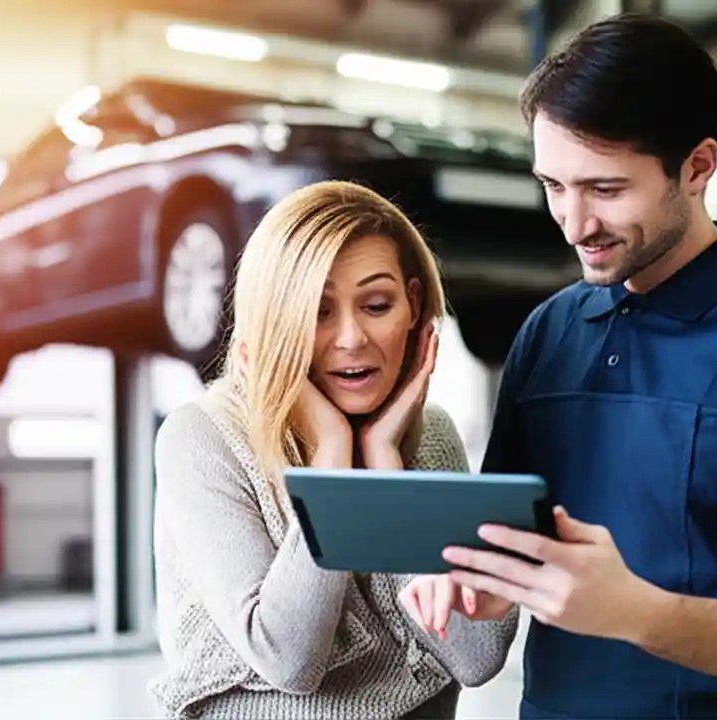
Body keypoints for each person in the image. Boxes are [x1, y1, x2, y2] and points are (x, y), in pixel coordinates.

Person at [431, 13, 717, 720]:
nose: (574, 222)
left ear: (699, 167)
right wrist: (480, 582)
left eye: (606, 190)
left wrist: (637, 612)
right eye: (553, 185)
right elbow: (508, 550)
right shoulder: (547, 334)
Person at [149, 180, 518, 719]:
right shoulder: (202, 438)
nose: (351, 338)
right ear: (276, 321)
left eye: (376, 304)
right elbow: (288, 657)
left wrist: (387, 469)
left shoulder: (429, 435)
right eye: (318, 312)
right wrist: (334, 461)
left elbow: (478, 656)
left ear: (413, 306)